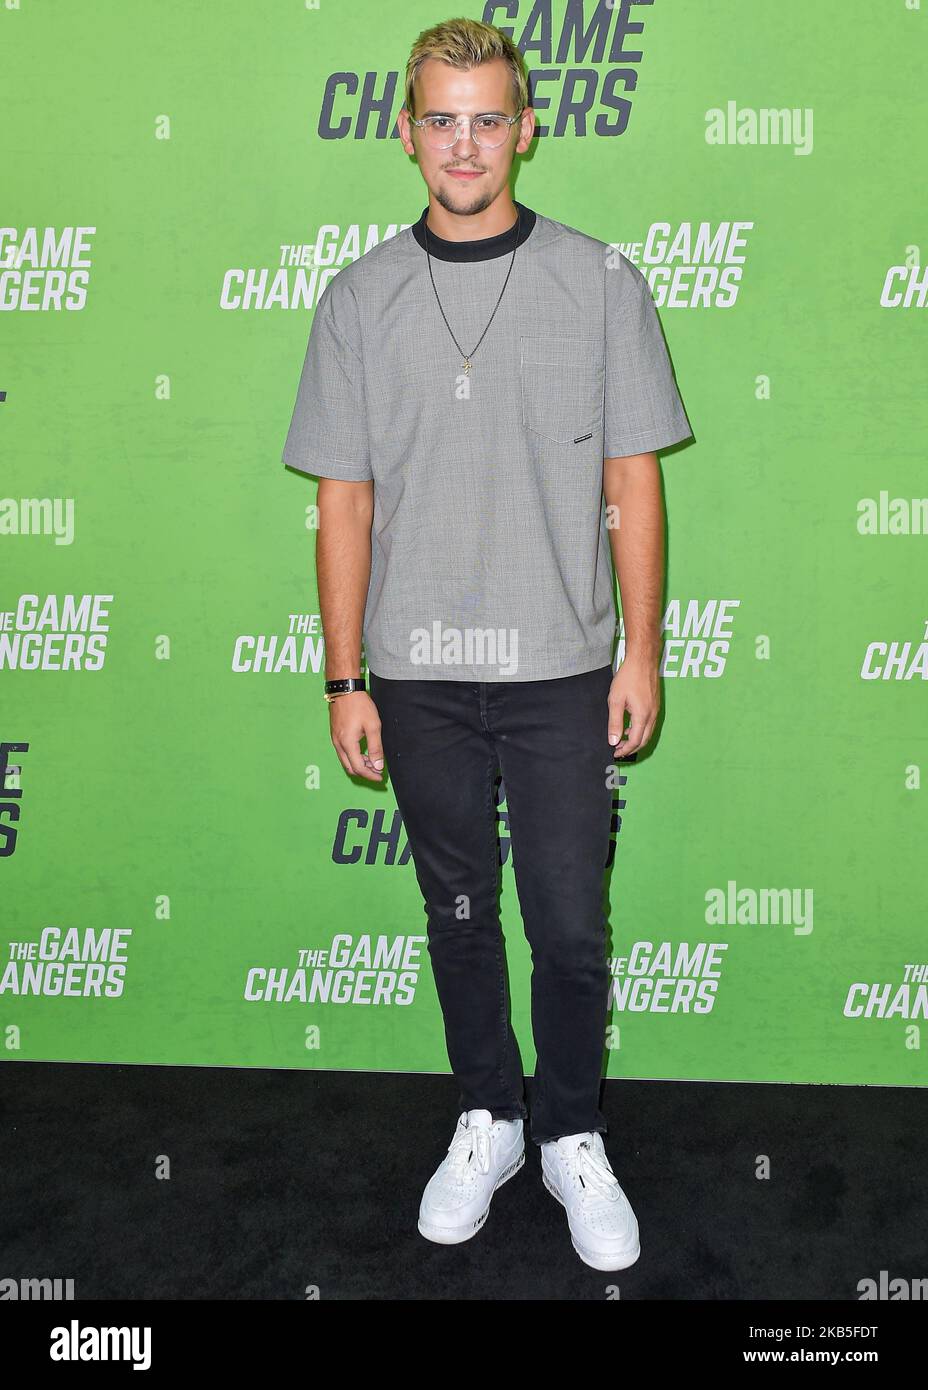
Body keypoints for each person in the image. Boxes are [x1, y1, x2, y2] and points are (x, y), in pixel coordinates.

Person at [281, 17, 693, 1273]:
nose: (464, 142)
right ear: (406, 131)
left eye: (487, 117)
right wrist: (346, 673)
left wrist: (640, 652)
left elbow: (634, 477)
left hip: (562, 667)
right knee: (458, 912)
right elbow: (342, 499)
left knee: (568, 923)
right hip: (415, 675)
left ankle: (571, 1129)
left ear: (526, 127)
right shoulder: (357, 298)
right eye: (440, 118)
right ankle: (490, 1114)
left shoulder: (601, 281)